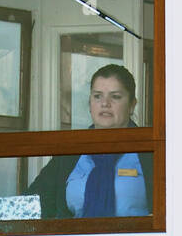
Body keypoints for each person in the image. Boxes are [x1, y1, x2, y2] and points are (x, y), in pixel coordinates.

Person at [26, 64, 151, 219]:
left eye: (115, 96)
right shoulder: (70, 152)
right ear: (90, 104)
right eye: (97, 96)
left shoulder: (150, 152)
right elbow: (33, 204)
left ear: (132, 105)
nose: (105, 103)